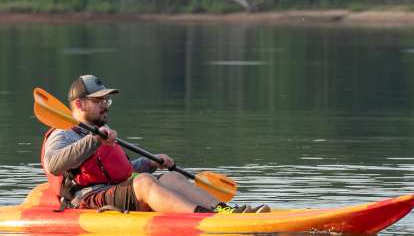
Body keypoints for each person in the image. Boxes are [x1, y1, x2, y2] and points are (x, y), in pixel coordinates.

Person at [42, 74, 266, 213]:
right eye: (99, 101)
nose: (106, 105)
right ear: (79, 104)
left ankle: (225, 211)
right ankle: (203, 217)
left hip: (114, 190)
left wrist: (149, 163)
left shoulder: (101, 132)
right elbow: (53, 164)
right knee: (145, 183)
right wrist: (94, 140)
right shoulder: (64, 134)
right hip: (87, 199)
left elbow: (122, 171)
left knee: (172, 177)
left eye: (106, 100)